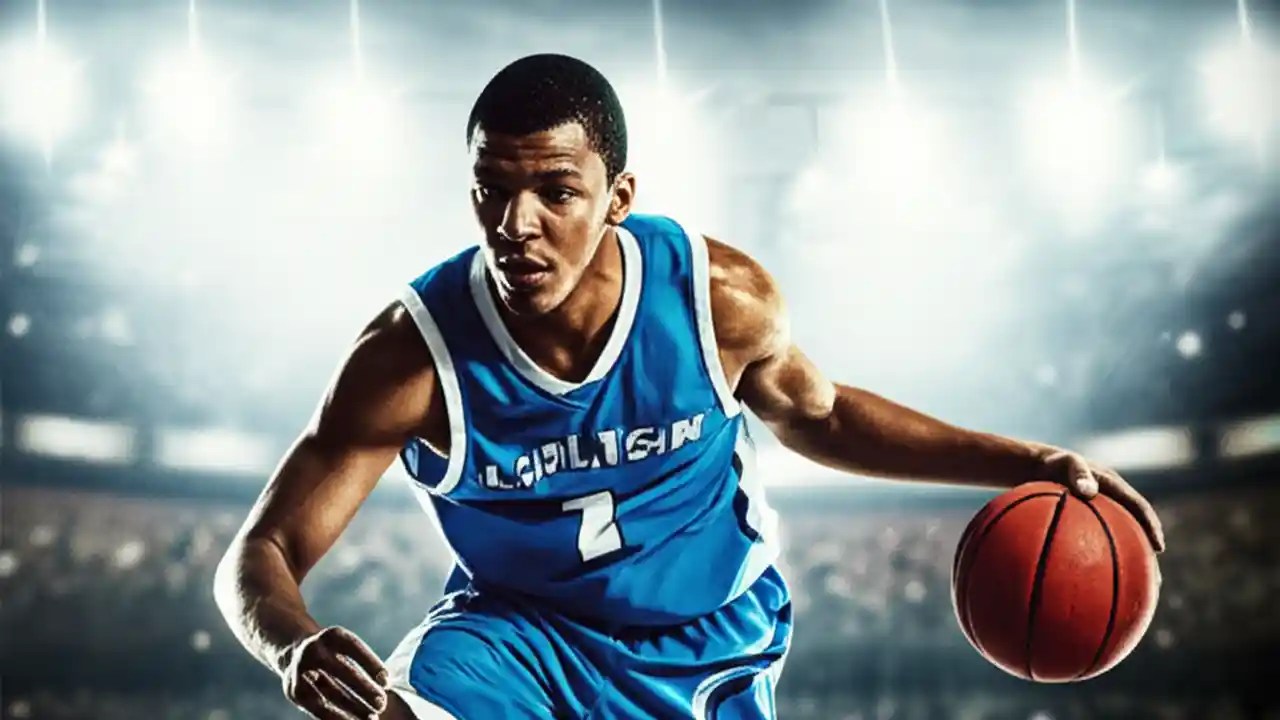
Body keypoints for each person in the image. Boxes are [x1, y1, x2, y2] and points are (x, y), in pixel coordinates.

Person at [213, 53, 1166, 720]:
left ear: (619, 198)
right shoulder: (409, 357)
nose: (516, 223)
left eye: (556, 190)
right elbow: (264, 552)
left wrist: (1027, 461)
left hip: (703, 639)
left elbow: (825, 416)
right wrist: (291, 643)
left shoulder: (715, 303)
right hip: (516, 637)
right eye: (491, 190)